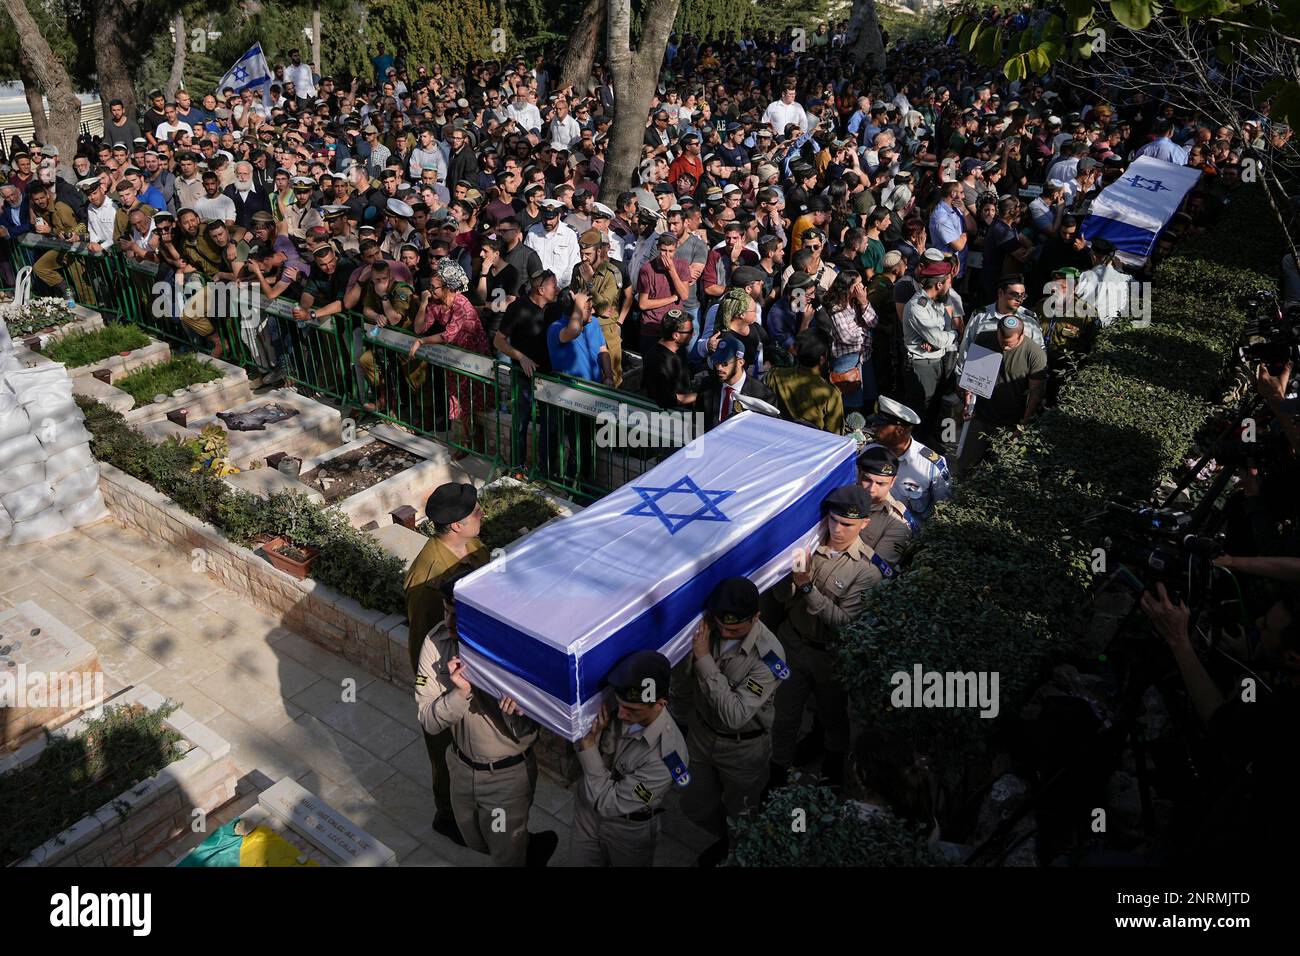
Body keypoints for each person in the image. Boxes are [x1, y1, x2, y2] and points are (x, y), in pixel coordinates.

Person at [770, 485, 885, 788]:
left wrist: (808, 587)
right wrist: (786, 580)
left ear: (864, 524)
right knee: (784, 716)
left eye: (847, 524)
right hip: (793, 644)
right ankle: (777, 772)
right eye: (833, 520)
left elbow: (846, 623)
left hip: (831, 655)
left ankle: (833, 771)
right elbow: (784, 598)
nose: (837, 529)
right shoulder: (809, 545)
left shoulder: (868, 571)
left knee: (832, 716)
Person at [678, 577, 788, 866]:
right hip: (701, 736)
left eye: (735, 629)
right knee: (693, 804)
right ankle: (727, 837)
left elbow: (735, 715)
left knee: (742, 813)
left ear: (756, 617)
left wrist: (703, 660)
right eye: (721, 626)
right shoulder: (709, 629)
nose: (725, 633)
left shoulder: (770, 656)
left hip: (743, 748)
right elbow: (681, 681)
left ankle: (738, 850)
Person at [403, 483, 489, 846]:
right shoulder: (428, 578)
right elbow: (424, 639)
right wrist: (446, 687)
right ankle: (448, 815)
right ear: (455, 525)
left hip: (473, 662)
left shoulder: (472, 545)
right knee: (445, 748)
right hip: (445, 673)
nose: (481, 513)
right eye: (474, 512)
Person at [570, 650, 690, 867]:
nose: (622, 714)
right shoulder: (618, 707)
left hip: (627, 830)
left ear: (660, 704)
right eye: (621, 704)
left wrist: (588, 746)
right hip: (587, 814)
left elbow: (609, 803)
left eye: (632, 710)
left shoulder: (668, 757)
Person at [955, 313, 1048, 474]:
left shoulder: (1035, 354)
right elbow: (973, 374)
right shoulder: (984, 339)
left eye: (1009, 345)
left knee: (999, 471)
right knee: (966, 466)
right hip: (981, 417)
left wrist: (1023, 425)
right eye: (1001, 342)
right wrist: (968, 400)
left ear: (1022, 334)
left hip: (1010, 423)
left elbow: (1035, 394)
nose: (1004, 347)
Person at [861, 396, 952, 523]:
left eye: (880, 425)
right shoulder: (869, 452)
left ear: (899, 431)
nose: (873, 428)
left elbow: (943, 509)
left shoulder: (931, 466)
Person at [763, 328, 844, 434]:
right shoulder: (830, 393)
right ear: (822, 359)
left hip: (780, 437)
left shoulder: (775, 375)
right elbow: (836, 435)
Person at [695, 334, 778, 430]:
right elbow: (697, 423)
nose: (719, 368)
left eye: (725, 363)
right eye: (716, 362)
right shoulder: (708, 385)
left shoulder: (763, 395)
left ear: (740, 363)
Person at [855, 444, 917, 565]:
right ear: (858, 474)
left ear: (893, 481)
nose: (872, 488)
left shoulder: (897, 523)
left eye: (880, 483)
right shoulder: (842, 494)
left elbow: (873, 571)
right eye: (866, 479)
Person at [641, 308, 697, 410]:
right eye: (690, 331)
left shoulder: (679, 349)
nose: (693, 335)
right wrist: (698, 396)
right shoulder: (656, 361)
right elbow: (666, 400)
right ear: (675, 335)